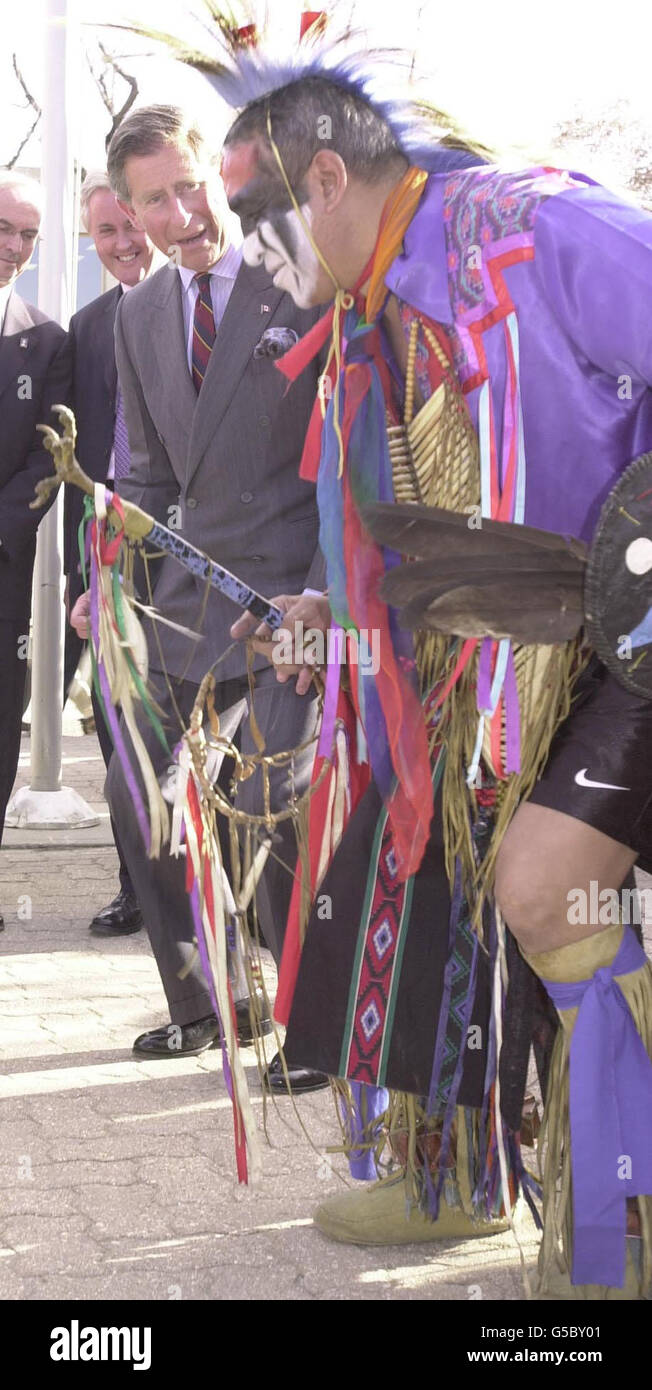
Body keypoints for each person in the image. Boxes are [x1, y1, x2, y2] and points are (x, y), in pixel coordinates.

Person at [169, 26, 652, 1296]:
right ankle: (597, 1218)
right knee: (527, 907)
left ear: (325, 179)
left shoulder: (534, 228)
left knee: (548, 893)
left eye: (254, 211)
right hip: (504, 668)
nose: (253, 247)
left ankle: (618, 1214)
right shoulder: (370, 315)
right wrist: (325, 609)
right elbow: (406, 522)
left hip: (626, 641)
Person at [102, 105, 328, 1091]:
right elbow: (149, 479)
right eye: (155, 199)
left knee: (267, 791)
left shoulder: (305, 275)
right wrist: (110, 586)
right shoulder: (138, 314)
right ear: (129, 210)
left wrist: (322, 594)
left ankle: (312, 1020)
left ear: (221, 174)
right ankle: (205, 1005)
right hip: (191, 600)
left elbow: (346, 460)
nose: (182, 211)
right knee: (135, 792)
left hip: (294, 598)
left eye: (191, 185)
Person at [64, 170, 158, 939]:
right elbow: (80, 463)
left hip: (188, 548)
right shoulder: (87, 326)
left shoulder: (205, 310)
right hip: (108, 555)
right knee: (120, 733)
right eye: (106, 231)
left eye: (132, 223)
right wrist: (80, 574)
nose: (124, 242)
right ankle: (141, 889)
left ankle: (230, 899)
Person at [0, 172, 68, 932]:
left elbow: (51, 455)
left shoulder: (47, 343)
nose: (14, 249)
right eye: (3, 229)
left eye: (28, 235)